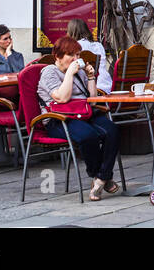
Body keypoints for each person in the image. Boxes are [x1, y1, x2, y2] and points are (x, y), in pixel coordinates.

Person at [36, 36, 121, 201]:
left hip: (83, 112)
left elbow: (92, 98)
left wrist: (90, 77)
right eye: (71, 55)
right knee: (88, 136)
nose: (76, 59)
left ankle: (101, 178)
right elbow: (61, 98)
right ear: (58, 56)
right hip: (58, 117)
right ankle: (101, 177)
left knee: (113, 130)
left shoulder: (79, 72)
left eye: (77, 55)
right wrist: (69, 74)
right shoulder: (49, 72)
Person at [66, 19, 111, 93]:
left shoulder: (75, 46)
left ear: (71, 32)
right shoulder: (99, 45)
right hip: (106, 85)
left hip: (90, 87)